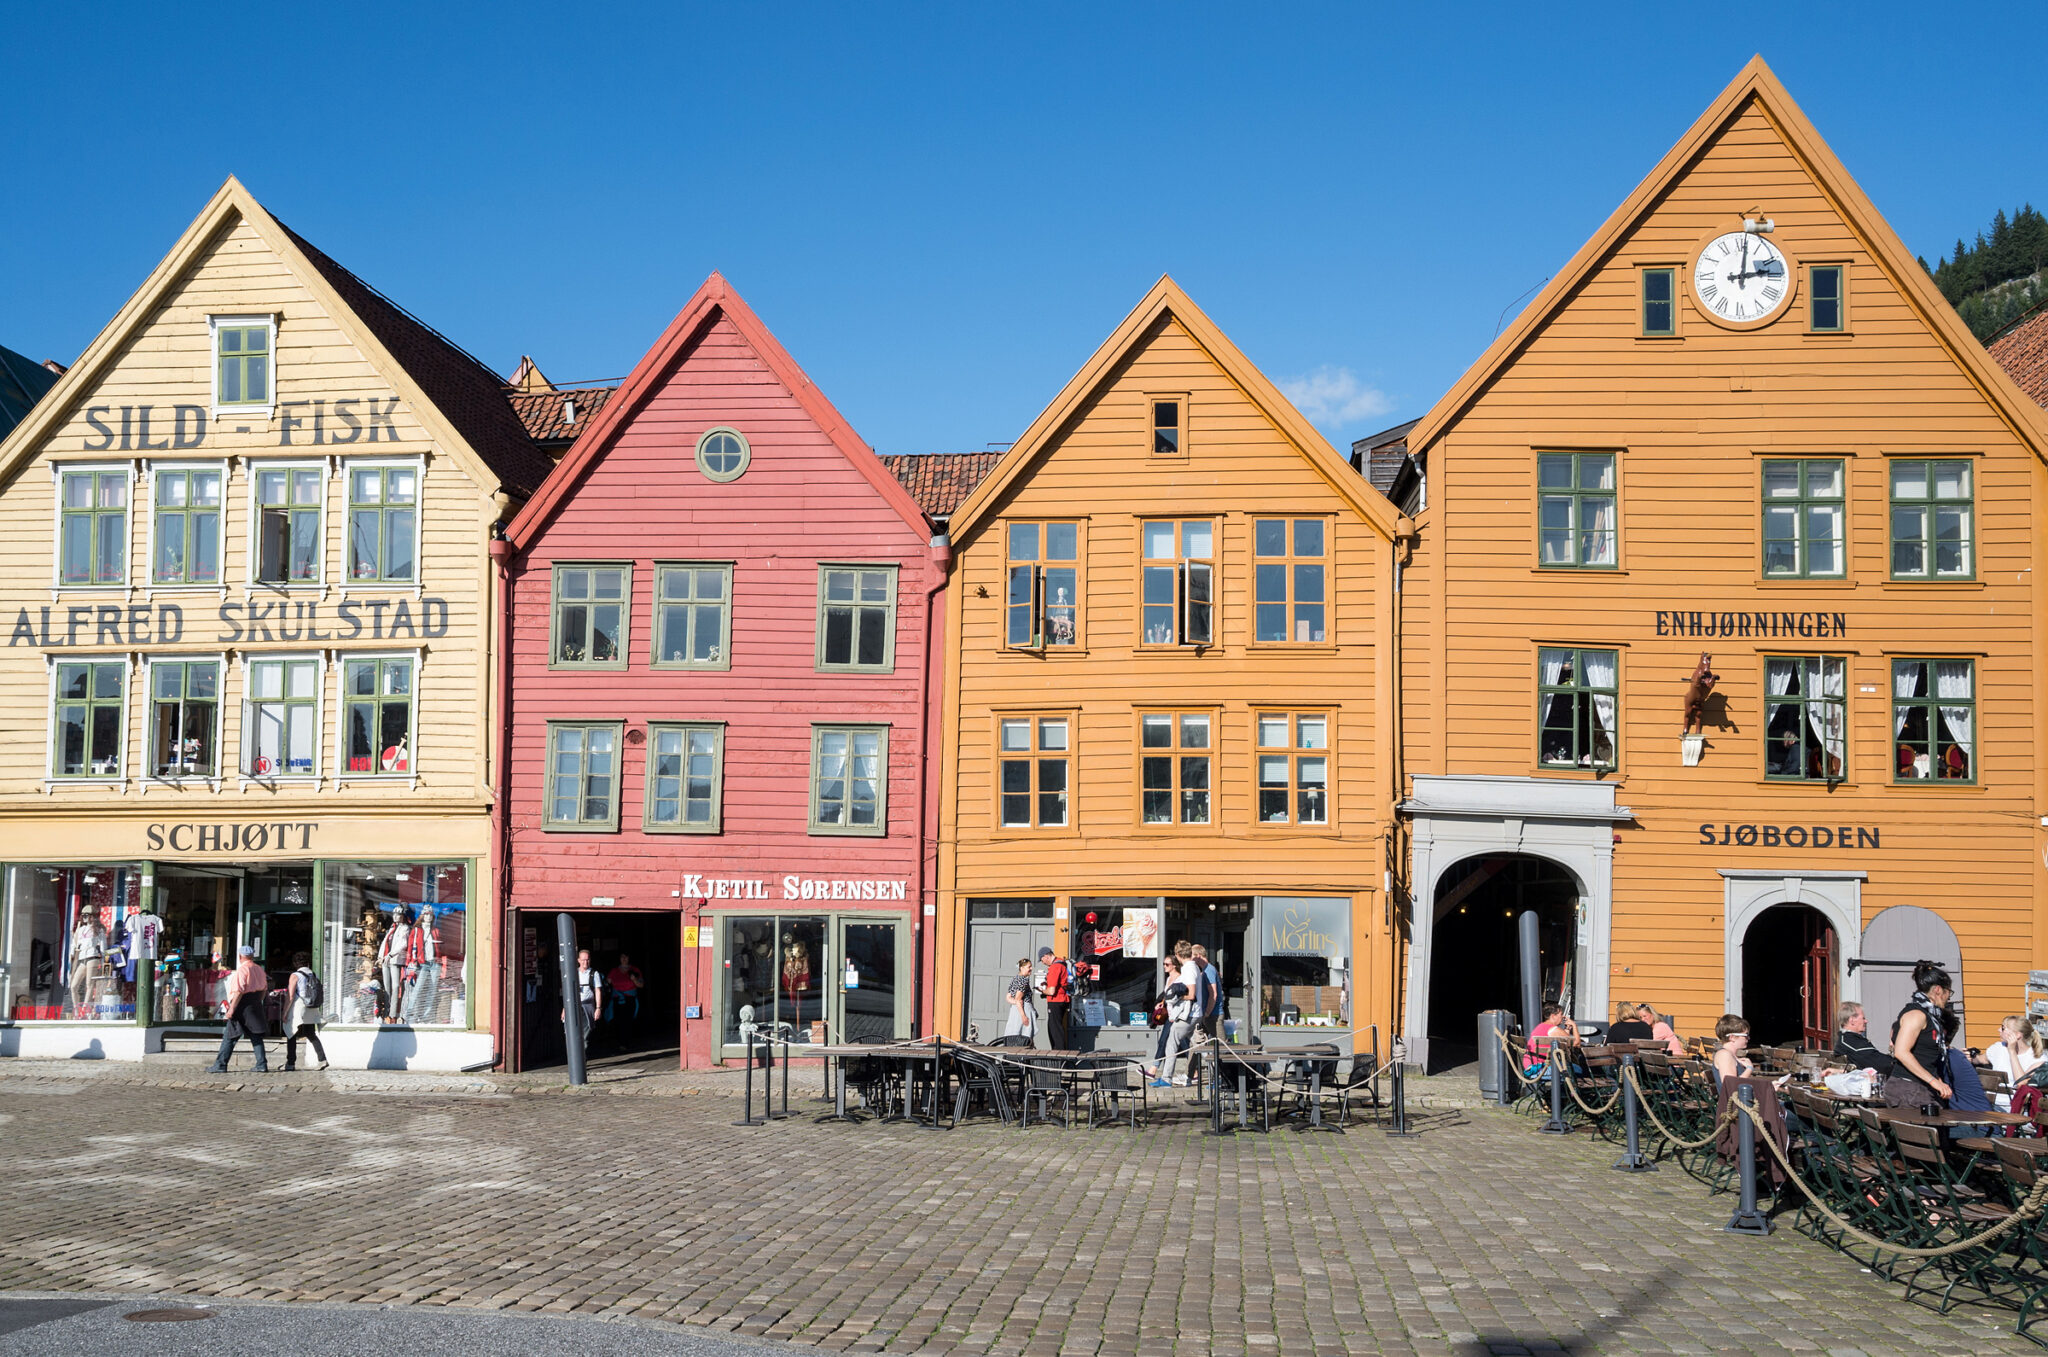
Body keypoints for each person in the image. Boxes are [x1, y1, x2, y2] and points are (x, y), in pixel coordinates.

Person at [1886, 960, 1956, 1112]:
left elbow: (1923, 1056)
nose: (1948, 997)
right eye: (1948, 992)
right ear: (1938, 990)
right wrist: (1933, 1081)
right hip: (1909, 1090)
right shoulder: (1917, 1015)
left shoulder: (1931, 1017)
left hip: (1919, 1089)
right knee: (1929, 1135)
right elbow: (1901, 1052)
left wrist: (1936, 1080)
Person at [208, 944, 271, 1074]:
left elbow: (238, 992)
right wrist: (258, 1001)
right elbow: (264, 989)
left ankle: (220, 1065)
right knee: (256, 1035)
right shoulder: (259, 969)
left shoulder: (242, 970)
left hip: (241, 1004)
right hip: (255, 1002)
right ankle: (261, 1064)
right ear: (252, 956)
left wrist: (231, 1009)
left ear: (240, 956)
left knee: (230, 1036)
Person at [281, 950, 327, 1072]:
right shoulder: (314, 974)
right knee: (311, 1034)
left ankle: (290, 1063)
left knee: (291, 1033)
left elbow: (290, 996)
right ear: (307, 963)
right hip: (311, 1007)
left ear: (295, 963)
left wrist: (284, 1012)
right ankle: (322, 1059)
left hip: (299, 1006)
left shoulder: (295, 975)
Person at [1988, 1016, 2046, 1110]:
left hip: (2015, 1109)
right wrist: (1972, 1055)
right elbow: (1980, 1059)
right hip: (1991, 1104)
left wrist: (2012, 1052)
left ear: (2017, 1035)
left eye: (2003, 1028)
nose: (1998, 1030)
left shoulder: (2038, 1059)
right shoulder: (1998, 1048)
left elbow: (2021, 1084)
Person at [1830, 1001, 1894, 1075]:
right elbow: (1883, 1064)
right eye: (1863, 1018)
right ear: (1852, 1021)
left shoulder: (1844, 1039)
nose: (1866, 1021)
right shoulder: (1853, 1043)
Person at [1526, 1003, 1577, 1075]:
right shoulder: (1554, 1029)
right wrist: (1574, 1025)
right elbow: (1576, 1043)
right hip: (1541, 1068)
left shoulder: (1540, 1027)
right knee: (1578, 1069)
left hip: (1530, 1066)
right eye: (1561, 1014)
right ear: (1553, 1016)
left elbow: (1565, 1040)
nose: (1562, 1017)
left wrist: (1567, 1028)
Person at [1039, 946, 1071, 1051]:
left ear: (1046, 956)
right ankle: (1060, 1054)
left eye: (1042, 959)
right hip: (1063, 1000)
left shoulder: (1054, 967)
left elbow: (1051, 991)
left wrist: (1042, 990)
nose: (1042, 962)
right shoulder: (1062, 963)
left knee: (1055, 1030)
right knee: (1055, 1027)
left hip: (1056, 1001)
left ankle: (1060, 1057)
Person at [607, 952, 645, 1035]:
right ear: (619, 958)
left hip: (630, 999)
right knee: (617, 1020)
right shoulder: (614, 970)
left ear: (629, 958)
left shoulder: (635, 970)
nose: (624, 959)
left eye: (626, 957)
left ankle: (625, 1043)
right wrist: (608, 981)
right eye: (622, 957)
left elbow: (641, 985)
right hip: (617, 999)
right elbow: (607, 983)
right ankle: (620, 1041)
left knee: (628, 1020)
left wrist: (634, 980)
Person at [1711, 1013, 1755, 1084]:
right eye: (1746, 1035)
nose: (1748, 1038)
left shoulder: (1730, 1055)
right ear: (1732, 1037)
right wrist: (1749, 1069)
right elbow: (1731, 1085)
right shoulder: (1724, 1055)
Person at [573, 948, 602, 1052]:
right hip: (574, 1006)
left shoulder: (594, 974)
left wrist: (598, 1008)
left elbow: (598, 991)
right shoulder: (574, 973)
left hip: (588, 1006)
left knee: (585, 1036)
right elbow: (568, 993)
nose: (585, 962)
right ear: (578, 960)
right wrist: (564, 1009)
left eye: (588, 960)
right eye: (583, 960)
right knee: (572, 1034)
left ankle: (582, 1061)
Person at [1003, 957, 1035, 1041]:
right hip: (1023, 1010)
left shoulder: (1015, 978)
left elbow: (1008, 998)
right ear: (1022, 968)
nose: (1031, 969)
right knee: (1025, 1037)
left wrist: (1016, 1003)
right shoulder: (1024, 980)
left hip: (1014, 1011)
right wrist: (1023, 1016)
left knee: (1013, 1033)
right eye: (1029, 967)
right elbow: (1018, 999)